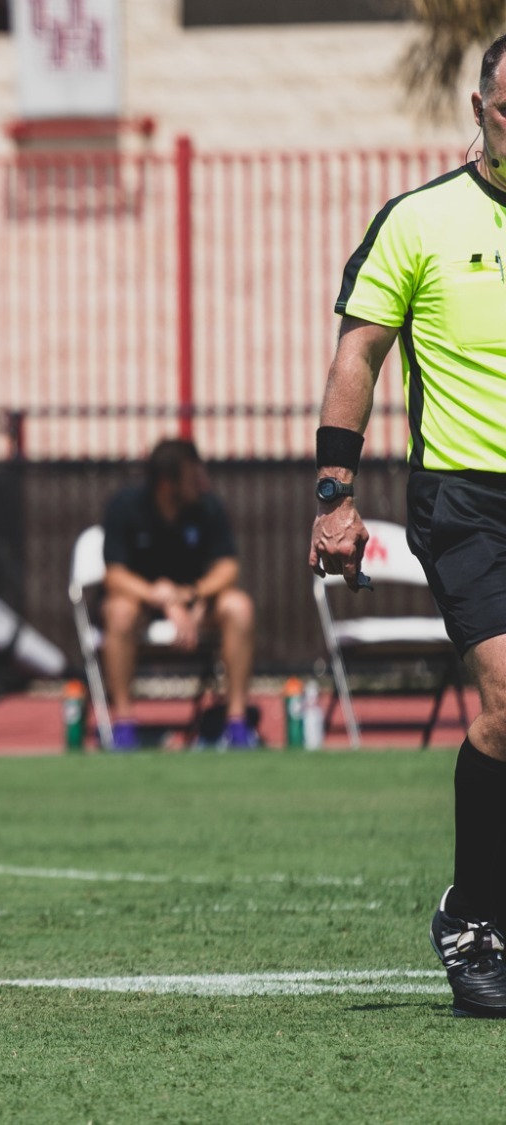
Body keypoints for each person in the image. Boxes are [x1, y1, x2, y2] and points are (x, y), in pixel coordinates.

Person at [312, 33, 506, 1018]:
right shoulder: (417, 221)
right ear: (477, 111)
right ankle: (473, 915)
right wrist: (332, 495)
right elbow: (358, 357)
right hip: (464, 499)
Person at [98, 438, 256, 750]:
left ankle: (237, 724)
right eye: (193, 474)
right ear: (167, 482)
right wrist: (162, 598)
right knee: (118, 612)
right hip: (142, 604)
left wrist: (192, 594)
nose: (202, 480)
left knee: (239, 606)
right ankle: (124, 726)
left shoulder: (208, 506)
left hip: (197, 606)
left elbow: (227, 568)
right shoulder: (125, 507)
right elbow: (114, 575)